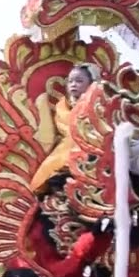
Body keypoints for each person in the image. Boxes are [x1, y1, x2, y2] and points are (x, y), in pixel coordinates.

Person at [30, 64, 96, 193]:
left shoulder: (98, 105)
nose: (73, 84)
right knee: (50, 172)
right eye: (70, 81)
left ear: (91, 84)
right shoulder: (62, 106)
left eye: (79, 81)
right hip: (67, 148)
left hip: (92, 149)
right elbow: (66, 129)